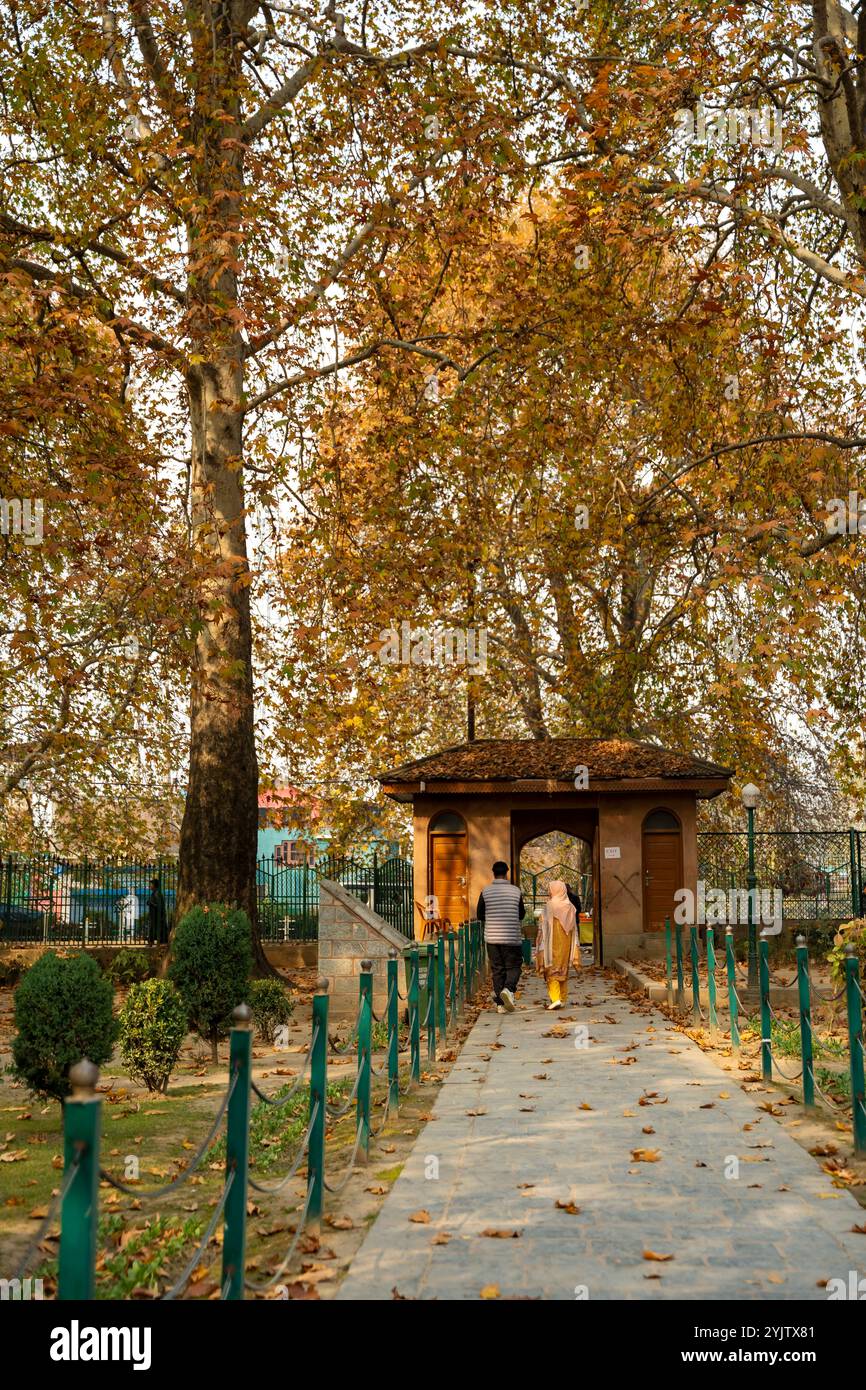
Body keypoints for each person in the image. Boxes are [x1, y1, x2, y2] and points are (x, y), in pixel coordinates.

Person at [476, 861, 525, 1013]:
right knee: (514, 966)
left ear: (493, 873)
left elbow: (479, 914)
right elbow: (522, 914)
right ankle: (508, 989)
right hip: (511, 937)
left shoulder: (486, 891)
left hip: (492, 937)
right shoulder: (516, 891)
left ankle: (500, 1005)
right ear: (507, 872)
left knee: (497, 969)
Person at [535, 878, 580, 1010]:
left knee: (551, 970)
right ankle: (563, 998)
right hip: (566, 944)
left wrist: (539, 943)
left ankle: (555, 999)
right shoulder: (570, 907)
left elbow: (542, 926)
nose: (549, 892)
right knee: (563, 970)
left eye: (550, 890)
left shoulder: (550, 905)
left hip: (551, 944)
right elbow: (574, 928)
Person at [147, 878, 168, 945]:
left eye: (151, 884)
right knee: (154, 929)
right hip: (155, 916)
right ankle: (152, 942)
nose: (150, 885)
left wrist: (150, 903)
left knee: (154, 929)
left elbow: (159, 905)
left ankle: (152, 942)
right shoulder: (155, 893)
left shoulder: (157, 893)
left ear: (154, 885)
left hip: (156, 916)